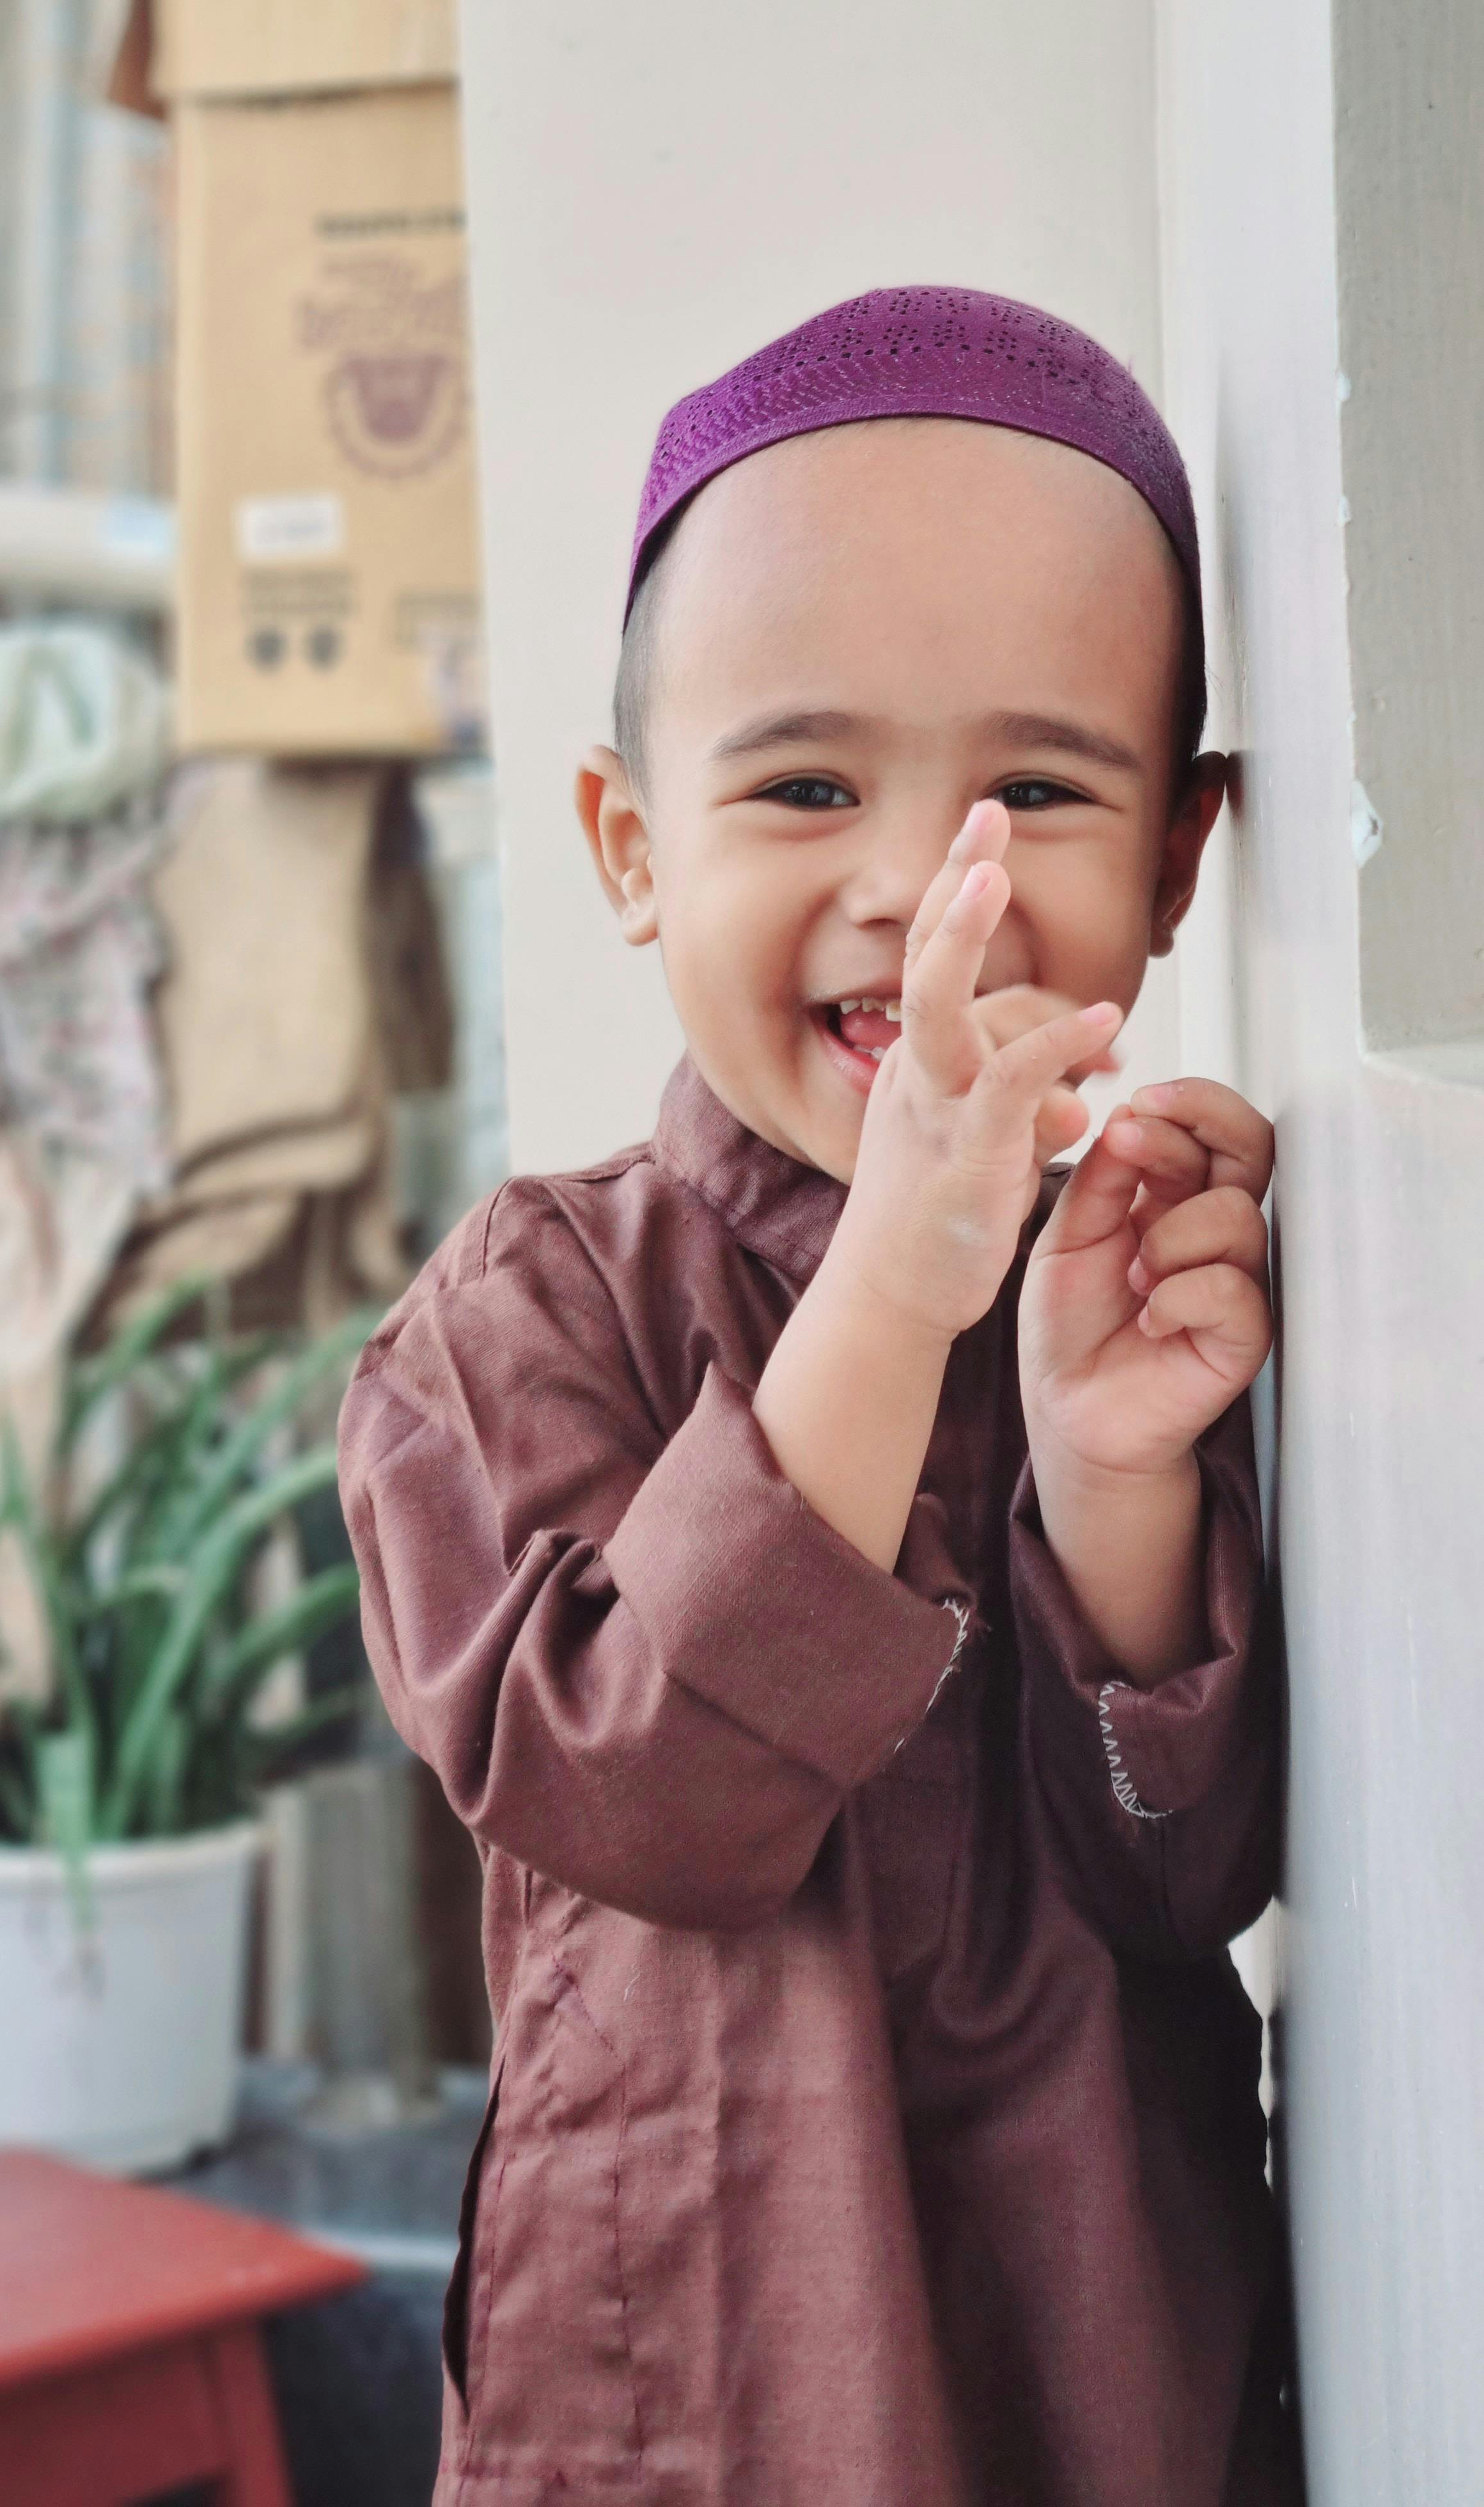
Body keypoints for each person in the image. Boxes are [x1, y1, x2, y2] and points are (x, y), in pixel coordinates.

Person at [338, 285, 1297, 2505]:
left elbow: (1204, 1883)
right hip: (693, 2365)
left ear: (1173, 858)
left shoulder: (1146, 1278)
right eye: (803, 784)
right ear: (631, 844)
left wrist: (1112, 1465)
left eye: (1037, 787)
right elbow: (641, 1798)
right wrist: (895, 1281)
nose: (917, 884)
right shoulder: (518, 1317)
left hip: (1101, 2341)